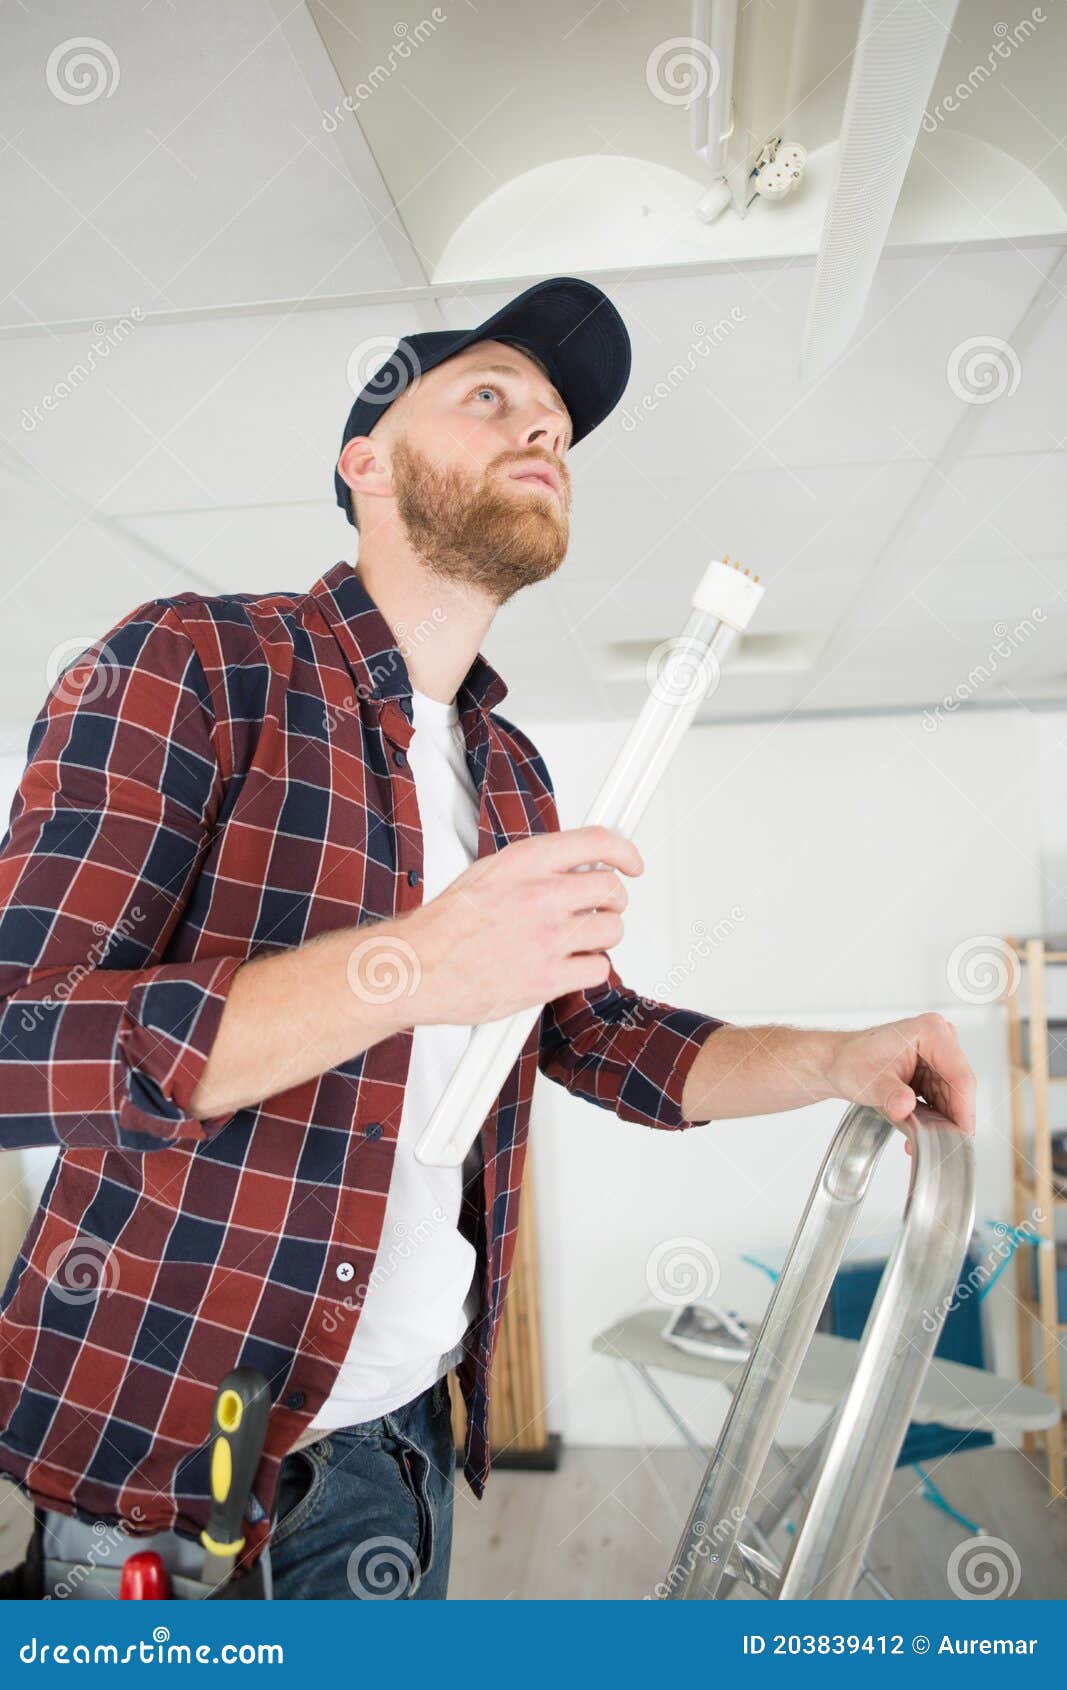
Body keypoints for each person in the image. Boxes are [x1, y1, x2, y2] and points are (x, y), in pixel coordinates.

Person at [0, 277, 975, 1601]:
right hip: (182, 1480)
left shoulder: (509, 771)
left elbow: (591, 1033)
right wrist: (415, 962)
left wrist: (834, 1058)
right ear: (366, 462)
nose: (544, 434)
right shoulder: (196, 666)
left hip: (400, 1449)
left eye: (561, 428)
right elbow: (20, 1042)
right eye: (491, 396)